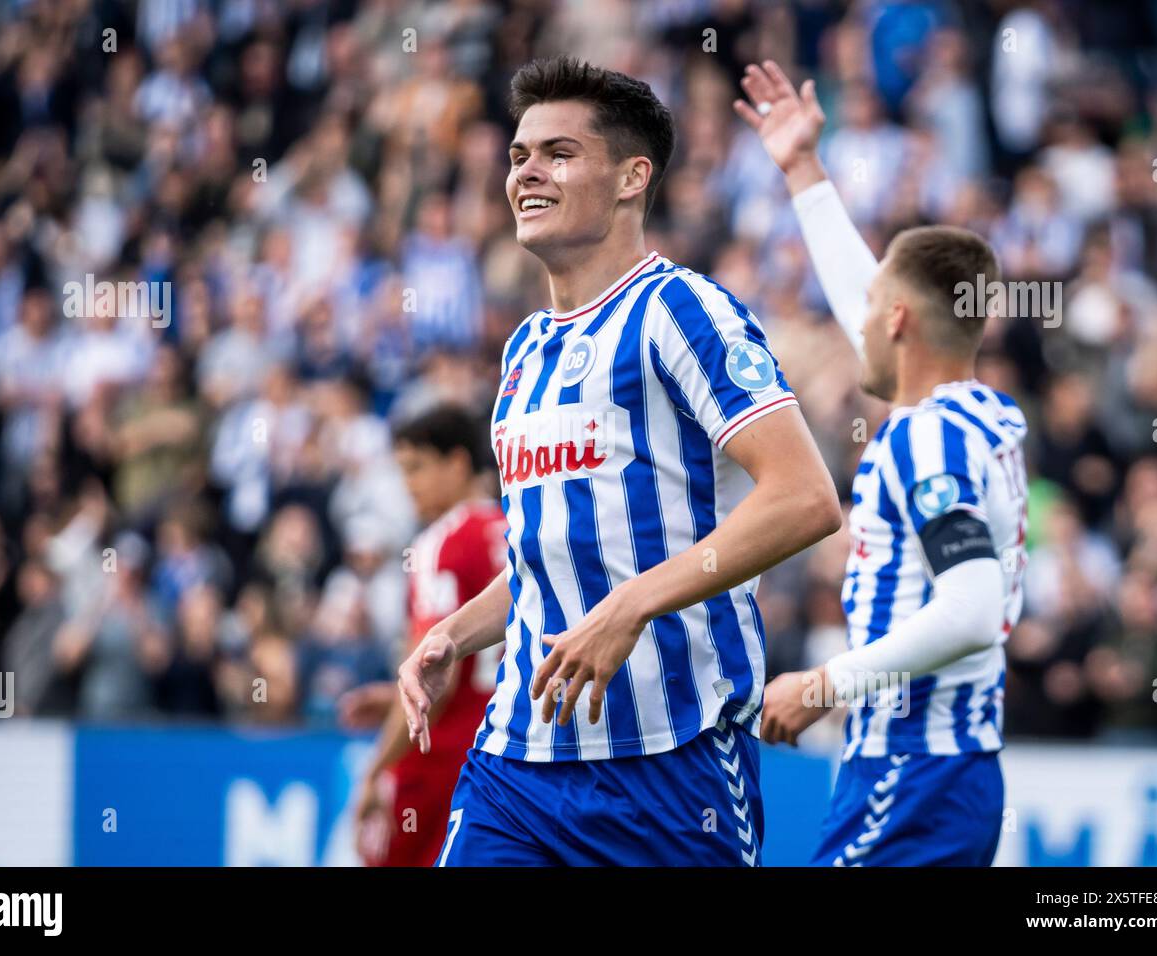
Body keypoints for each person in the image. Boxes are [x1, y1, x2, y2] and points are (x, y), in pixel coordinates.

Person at [399, 56, 842, 867]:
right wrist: (455, 637)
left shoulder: (679, 310)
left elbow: (806, 498)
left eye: (559, 153)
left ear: (633, 177)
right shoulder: (524, 349)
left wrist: (632, 605)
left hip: (671, 768)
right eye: (518, 156)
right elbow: (550, 554)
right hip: (519, 769)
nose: (527, 172)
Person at [735, 60, 1028, 865]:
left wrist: (822, 684)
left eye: (870, 312)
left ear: (897, 321)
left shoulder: (927, 438)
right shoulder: (975, 414)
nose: (854, 321)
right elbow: (871, 289)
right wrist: (803, 170)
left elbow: (970, 608)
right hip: (944, 765)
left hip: (915, 769)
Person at [348, 405, 506, 867]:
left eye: (415, 468)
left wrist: (374, 770)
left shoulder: (440, 543)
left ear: (457, 463)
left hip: (439, 756)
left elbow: (437, 682)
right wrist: (390, 694)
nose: (407, 484)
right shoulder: (518, 532)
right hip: (503, 752)